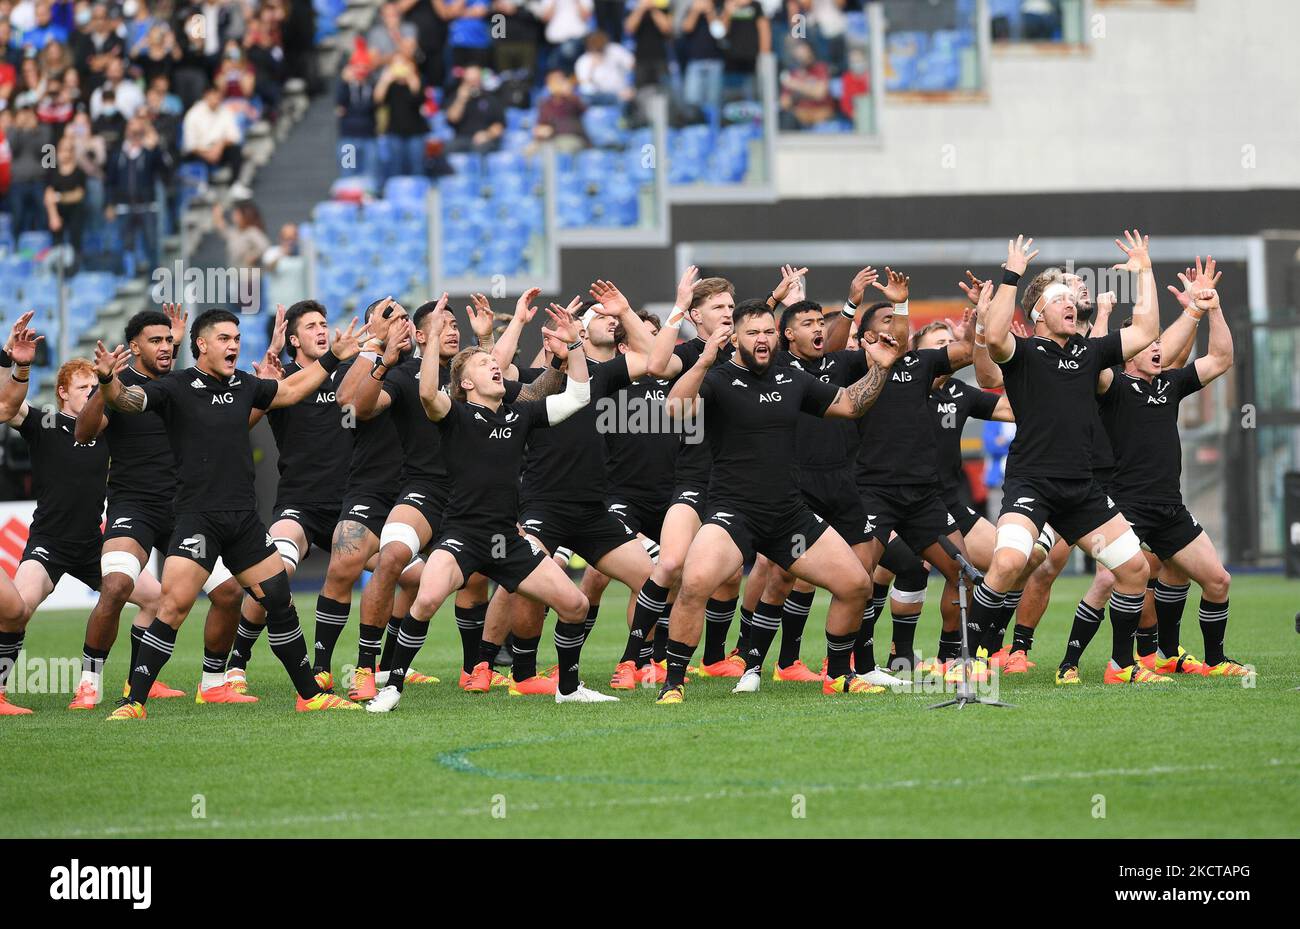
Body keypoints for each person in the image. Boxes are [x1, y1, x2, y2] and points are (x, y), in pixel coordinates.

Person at [91, 308, 371, 718]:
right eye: (224, 338)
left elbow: (291, 392)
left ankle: (310, 694)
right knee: (174, 607)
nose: (234, 345)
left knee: (279, 599)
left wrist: (332, 360)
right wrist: (105, 380)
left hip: (243, 521)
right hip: (198, 518)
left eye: (237, 338)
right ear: (202, 345)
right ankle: (133, 702)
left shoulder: (245, 385)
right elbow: (128, 401)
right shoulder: (177, 387)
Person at [656, 297, 902, 704]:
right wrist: (704, 360)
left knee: (856, 584)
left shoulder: (793, 379)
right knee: (695, 583)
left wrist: (881, 366)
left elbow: (850, 404)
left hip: (789, 518)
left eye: (768, 331)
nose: (762, 339)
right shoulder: (718, 378)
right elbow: (675, 411)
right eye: (752, 332)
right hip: (733, 514)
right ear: (735, 337)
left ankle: (839, 675)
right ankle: (673, 682)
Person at [367, 306, 610, 711]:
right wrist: (429, 343)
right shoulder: (454, 415)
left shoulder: (522, 413)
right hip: (462, 536)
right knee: (425, 602)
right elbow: (428, 394)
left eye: (494, 363)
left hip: (507, 539)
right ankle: (391, 686)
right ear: (465, 382)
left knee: (575, 605)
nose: (495, 366)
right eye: (483, 364)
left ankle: (568, 689)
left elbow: (580, 395)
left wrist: (574, 343)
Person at [965, 231, 1161, 687]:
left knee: (1134, 571)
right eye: (1060, 299)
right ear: (1037, 314)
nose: (1072, 303)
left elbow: (1147, 330)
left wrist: (1145, 269)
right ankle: (973, 658)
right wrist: (1012, 272)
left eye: (1073, 299)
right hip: (1032, 483)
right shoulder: (1023, 353)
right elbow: (994, 337)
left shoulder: (1090, 351)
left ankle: (1121, 666)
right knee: (1011, 563)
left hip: (1082, 489)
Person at [72, 307, 245, 709]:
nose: (166, 346)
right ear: (133, 348)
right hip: (134, 505)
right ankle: (89, 683)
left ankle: (213, 683)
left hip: (185, 510)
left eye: (170, 341)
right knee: (116, 586)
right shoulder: (118, 387)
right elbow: (83, 432)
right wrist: (102, 382)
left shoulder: (185, 385)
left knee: (229, 591)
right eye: (156, 341)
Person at [1090, 258, 1246, 678]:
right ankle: (1121, 665)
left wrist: (1211, 306)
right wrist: (1109, 311)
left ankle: (1212, 661)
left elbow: (1221, 359)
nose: (1158, 347)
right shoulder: (1113, 387)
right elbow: (1096, 358)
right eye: (1149, 342)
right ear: (1128, 354)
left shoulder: (1169, 385)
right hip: (1125, 507)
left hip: (1169, 507)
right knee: (1127, 579)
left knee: (1218, 581)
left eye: (1161, 342)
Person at [226, 301, 355, 694]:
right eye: (311, 326)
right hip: (299, 503)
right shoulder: (284, 380)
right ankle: (237, 664)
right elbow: (240, 421)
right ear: (293, 339)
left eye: (324, 323)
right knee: (275, 573)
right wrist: (263, 382)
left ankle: (368, 665)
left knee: (406, 571)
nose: (321, 330)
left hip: (350, 505)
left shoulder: (350, 377)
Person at [374, 37, 427, 177]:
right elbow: (378, 100)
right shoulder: (390, 85)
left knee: (417, 167)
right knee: (396, 167)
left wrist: (411, 77)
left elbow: (419, 99)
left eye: (403, 63)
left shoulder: (417, 80)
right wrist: (385, 80)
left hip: (415, 131)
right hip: (395, 130)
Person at [443, 62, 502, 155]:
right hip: (462, 139)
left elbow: (499, 126)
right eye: (469, 81)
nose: (472, 84)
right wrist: (461, 100)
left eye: (475, 80)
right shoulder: (456, 97)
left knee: (479, 149)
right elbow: (452, 118)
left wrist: (487, 135)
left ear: (480, 80)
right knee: (445, 148)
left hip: (484, 139)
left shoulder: (491, 98)